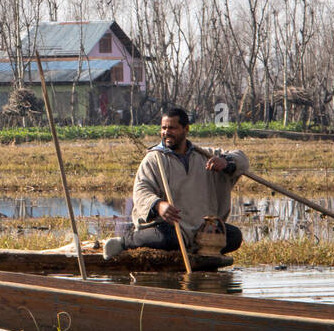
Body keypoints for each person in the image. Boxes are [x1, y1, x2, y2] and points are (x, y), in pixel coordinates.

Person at [104, 106, 248, 259]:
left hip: (202, 228)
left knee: (234, 236)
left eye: (172, 128)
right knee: (169, 239)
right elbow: (141, 190)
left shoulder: (204, 155)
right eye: (163, 128)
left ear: (186, 129)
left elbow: (242, 158)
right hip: (170, 227)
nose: (166, 132)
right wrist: (158, 205)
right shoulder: (154, 159)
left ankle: (196, 248)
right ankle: (124, 241)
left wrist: (226, 162)